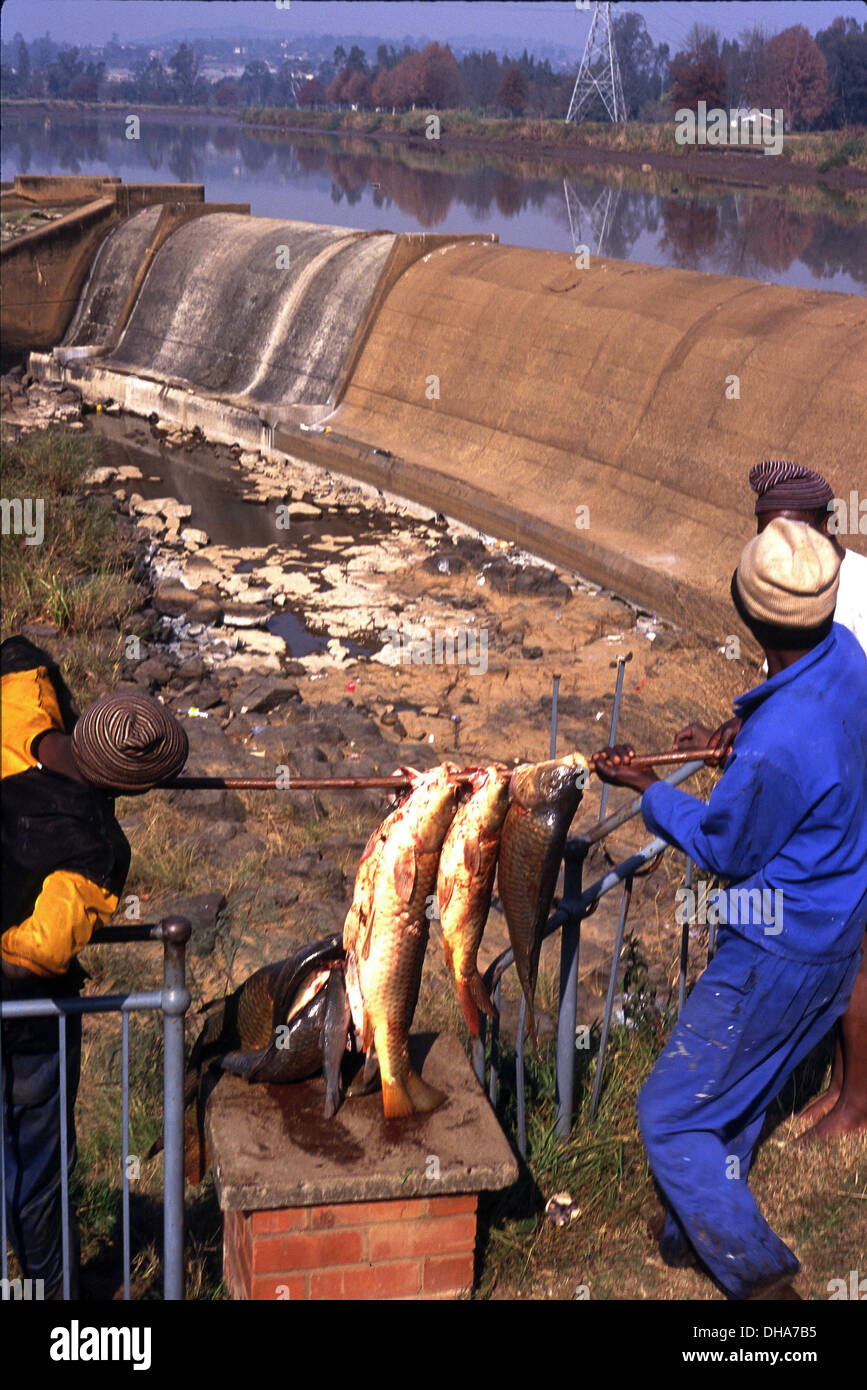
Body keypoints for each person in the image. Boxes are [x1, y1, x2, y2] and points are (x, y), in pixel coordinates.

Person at [594, 518, 867, 1300]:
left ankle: (766, 1289)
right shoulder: (844, 658)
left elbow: (722, 845)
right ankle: (697, 1229)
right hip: (837, 927)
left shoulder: (778, 739)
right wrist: (734, 737)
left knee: (670, 1116)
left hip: (776, 947)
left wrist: (646, 794)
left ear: (748, 615)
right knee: (739, 1085)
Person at [675, 461, 867, 1142]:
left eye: (781, 531)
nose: (771, 551)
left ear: (822, 526)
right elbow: (795, 698)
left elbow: (830, 712)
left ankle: (854, 1104)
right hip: (843, 788)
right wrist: (734, 735)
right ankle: (845, 1088)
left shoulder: (853, 601)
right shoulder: (797, 584)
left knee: (857, 954)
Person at [1, 635, 188, 1298]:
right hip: (24, 1024)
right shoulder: (94, 848)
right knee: (37, 1159)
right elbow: (35, 955)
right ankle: (54, 1296)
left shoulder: (21, 703)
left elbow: (18, 656)